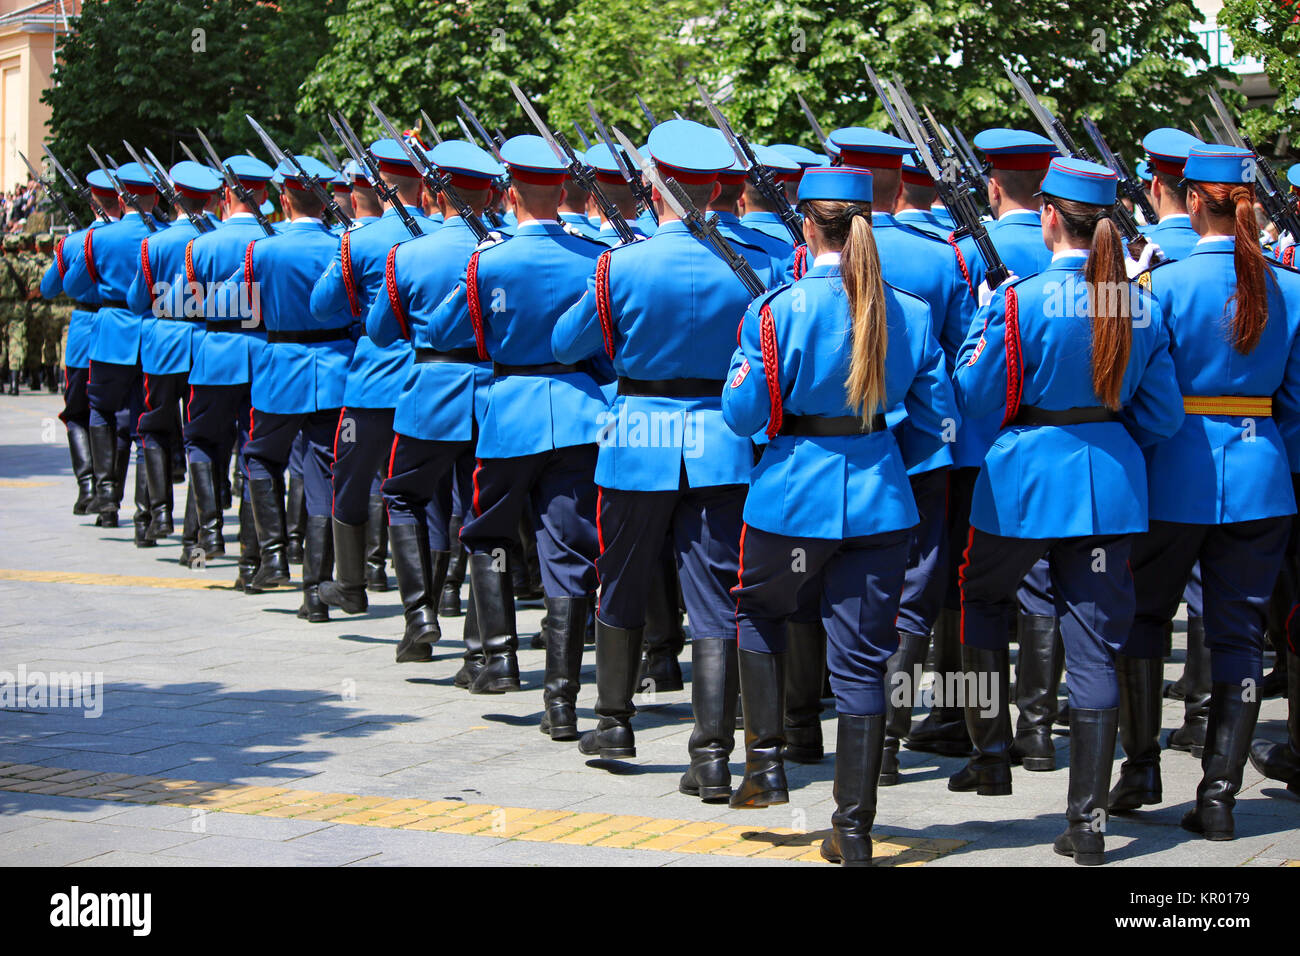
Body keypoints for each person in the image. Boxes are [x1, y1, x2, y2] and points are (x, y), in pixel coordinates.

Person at [722, 164, 956, 862]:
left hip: (792, 496)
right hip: (879, 498)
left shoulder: (776, 308)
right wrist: (884, 455)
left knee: (760, 612)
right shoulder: (907, 309)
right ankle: (853, 831)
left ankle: (764, 767)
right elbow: (937, 417)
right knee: (862, 662)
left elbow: (742, 415)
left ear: (805, 224)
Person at [953, 157, 1184, 864]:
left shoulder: (1017, 300)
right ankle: (1087, 823)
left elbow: (975, 396)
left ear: (1049, 216)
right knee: (1095, 642)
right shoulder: (1135, 301)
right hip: (1108, 481)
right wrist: (1106, 434)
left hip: (1023, 480)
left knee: (983, 598)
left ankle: (992, 751)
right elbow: (1165, 414)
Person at [553, 119, 773, 785]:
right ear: (714, 186)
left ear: (654, 184)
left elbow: (567, 345)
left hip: (638, 439)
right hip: (722, 440)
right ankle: (711, 756)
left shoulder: (622, 262)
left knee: (620, 577)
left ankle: (614, 725)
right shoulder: (756, 262)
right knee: (715, 597)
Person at [1110, 144, 1300, 842]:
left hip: (1175, 475)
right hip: (1262, 479)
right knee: (1240, 637)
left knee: (1142, 620)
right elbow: (1297, 404)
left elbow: (1139, 394)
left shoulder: (1163, 284)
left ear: (1193, 202)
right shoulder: (1291, 284)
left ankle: (1140, 767)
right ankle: (1219, 795)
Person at [427, 134, 607, 698]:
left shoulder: (489, 259)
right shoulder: (596, 257)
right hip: (581, 411)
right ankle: (562, 696)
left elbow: (444, 331)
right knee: (570, 548)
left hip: (511, 411)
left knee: (489, 534)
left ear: (509, 192)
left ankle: (500, 660)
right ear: (561, 189)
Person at [823, 126, 975, 784]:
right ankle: (886, 744)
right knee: (913, 595)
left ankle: (806, 726)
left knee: (829, 584)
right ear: (900, 181)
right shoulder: (941, 258)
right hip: (919, 452)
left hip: (832, 452)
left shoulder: (817, 255)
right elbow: (965, 358)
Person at [368, 140, 503, 665]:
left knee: (403, 496)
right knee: (482, 514)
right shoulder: (503, 245)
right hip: (491, 392)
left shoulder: (409, 254)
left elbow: (381, 332)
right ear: (490, 191)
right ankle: (484, 651)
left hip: (431, 389)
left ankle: (419, 615)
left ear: (431, 191)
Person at [309, 140, 437, 622]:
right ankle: (434, 601)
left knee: (351, 477)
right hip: (429, 377)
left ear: (379, 185)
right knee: (427, 492)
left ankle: (351, 582)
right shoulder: (447, 233)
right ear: (422, 183)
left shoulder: (357, 240)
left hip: (373, 381)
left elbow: (322, 307)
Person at [220, 155, 345, 619]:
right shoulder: (341, 246)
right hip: (334, 369)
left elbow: (230, 301)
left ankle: (272, 555)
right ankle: (316, 595)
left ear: (285, 198)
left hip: (280, 369)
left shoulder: (263, 250)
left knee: (257, 457)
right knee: (323, 478)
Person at [62, 163, 164, 536]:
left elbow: (72, 286)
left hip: (110, 335)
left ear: (122, 198)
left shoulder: (98, 239)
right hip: (152, 334)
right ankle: (145, 516)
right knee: (143, 424)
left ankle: (106, 497)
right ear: (155, 196)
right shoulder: (164, 234)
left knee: (101, 412)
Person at [127, 162, 224, 548]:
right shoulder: (216, 236)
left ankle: (156, 513)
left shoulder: (155, 242)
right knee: (202, 436)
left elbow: (137, 300)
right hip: (205, 342)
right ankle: (196, 534)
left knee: (153, 427)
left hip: (165, 341)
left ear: (175, 196)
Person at [40, 171, 119, 512]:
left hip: (85, 335)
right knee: (122, 416)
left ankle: (88, 486)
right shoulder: (143, 237)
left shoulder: (75, 242)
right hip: (124, 335)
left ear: (91, 201)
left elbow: (48, 288)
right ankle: (110, 491)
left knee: (77, 412)